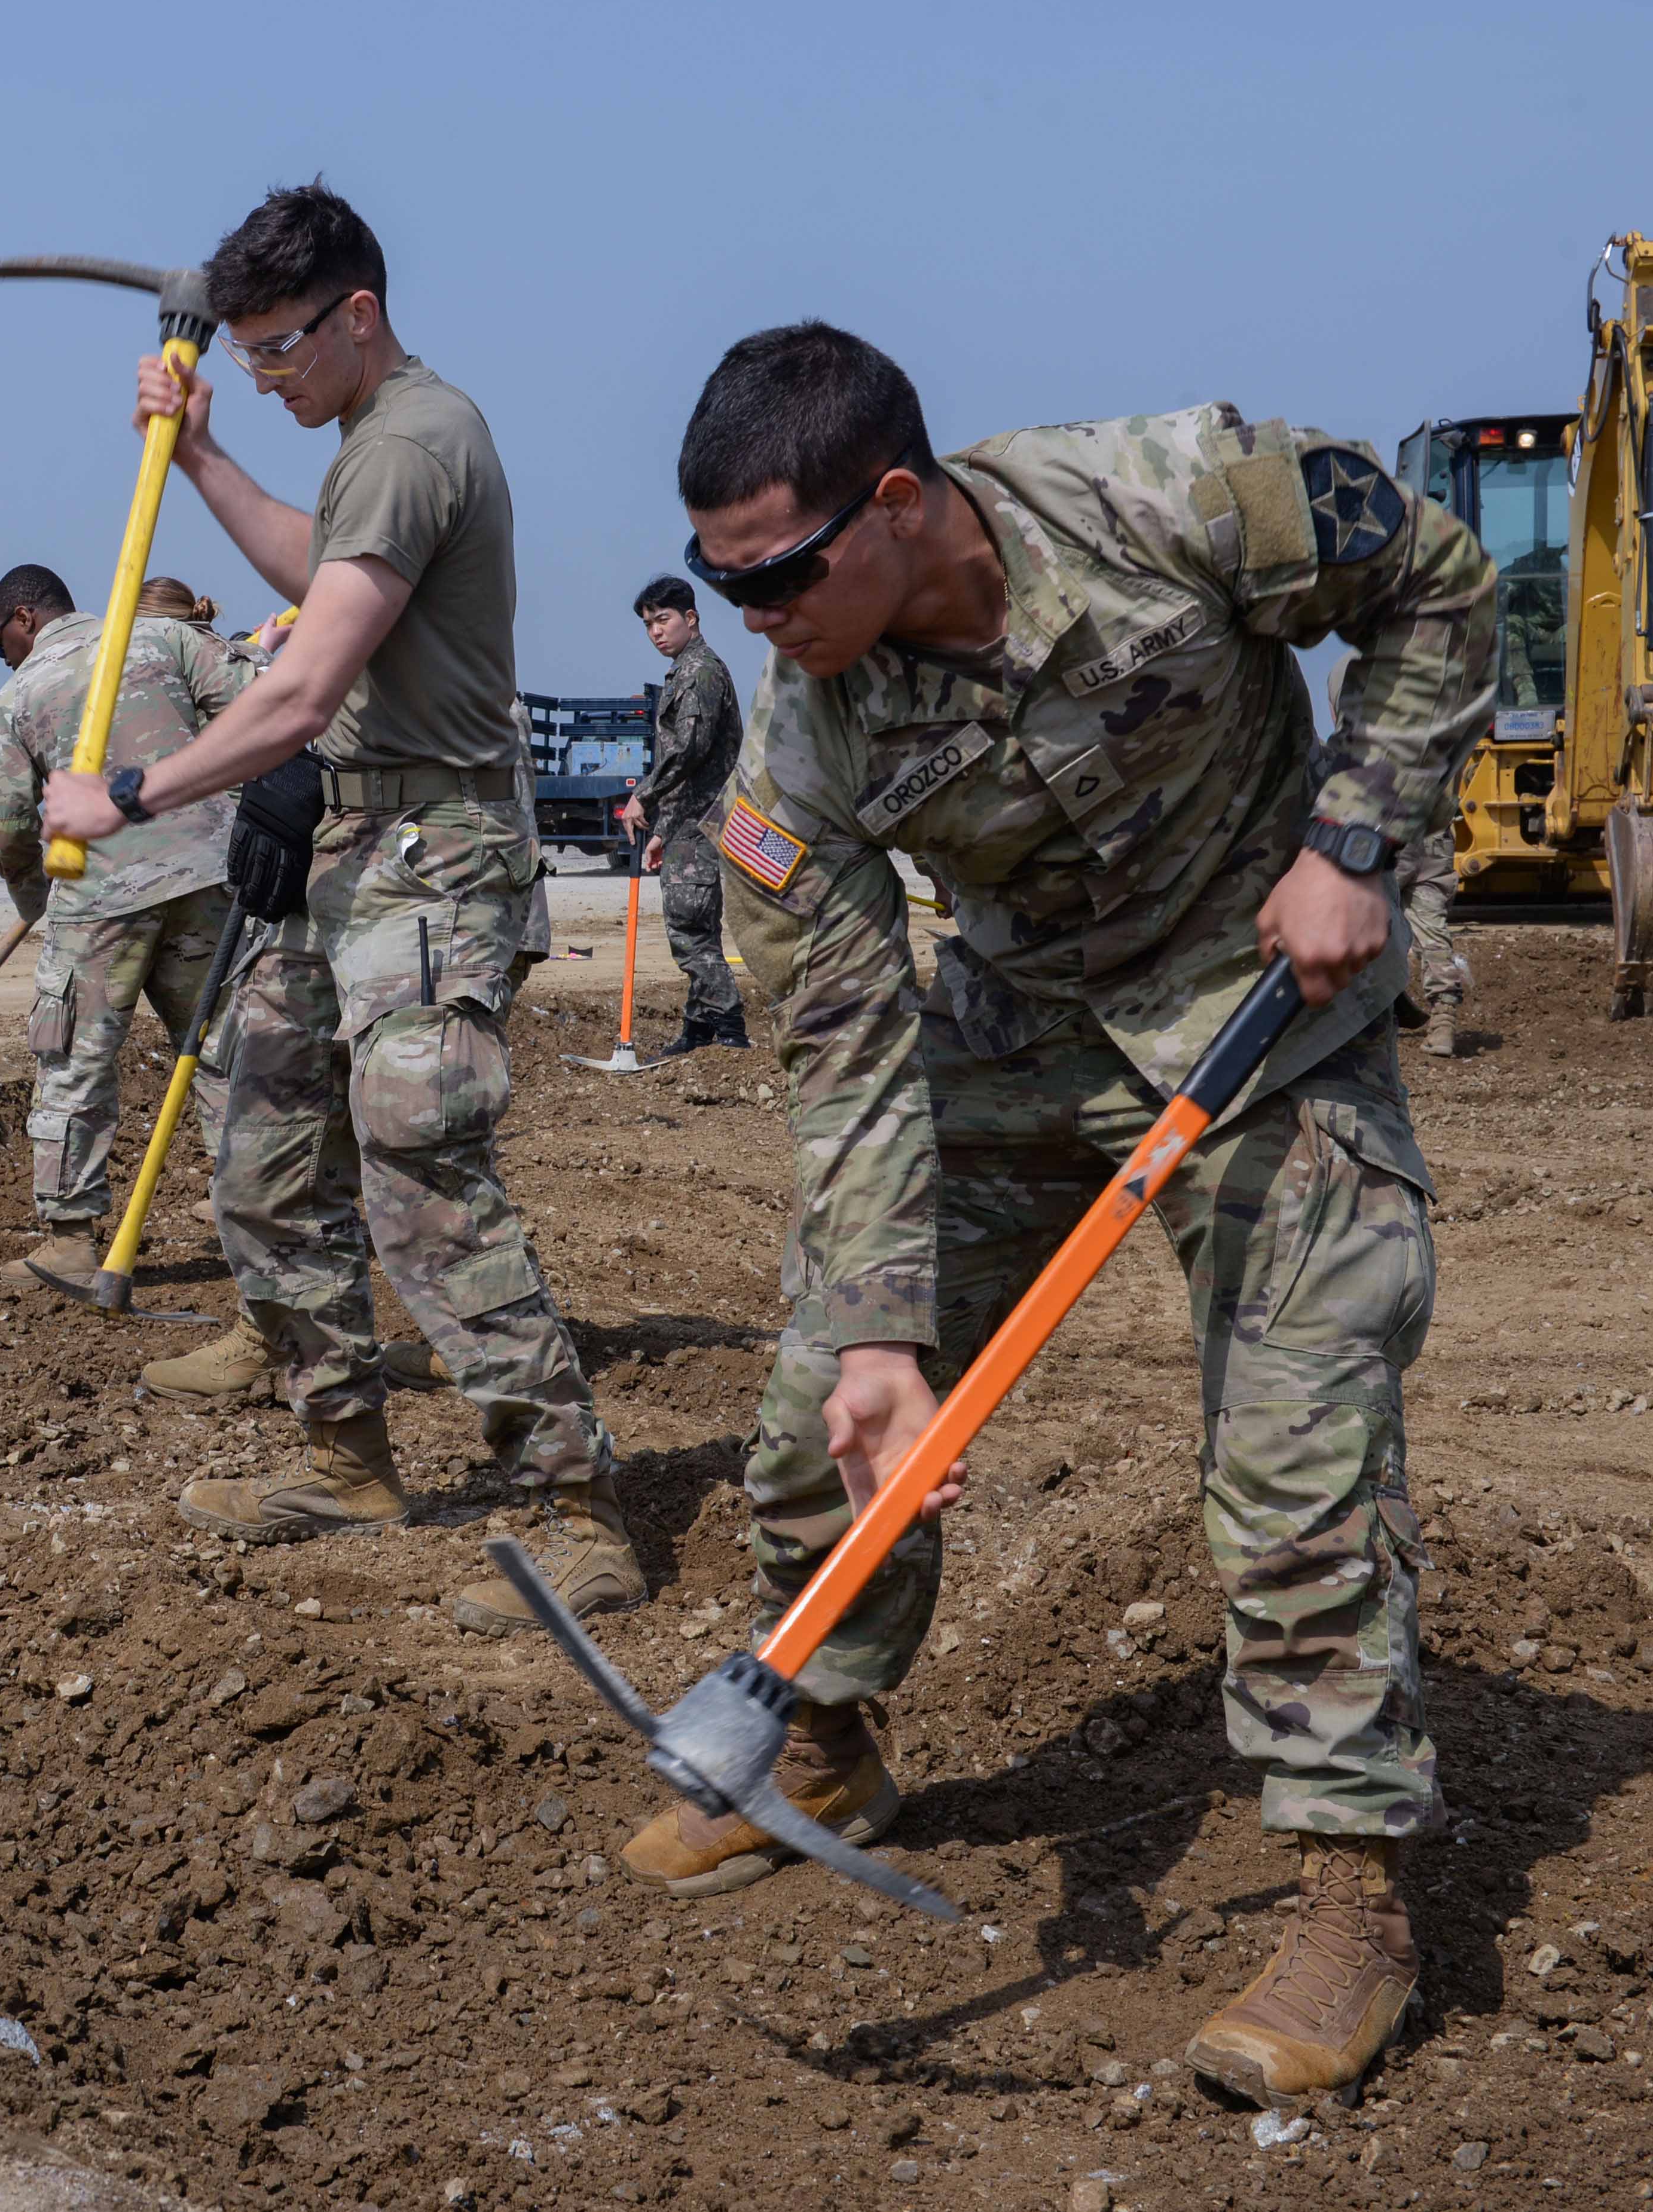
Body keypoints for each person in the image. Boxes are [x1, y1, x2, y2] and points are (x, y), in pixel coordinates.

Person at [622, 324, 1493, 2115]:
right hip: (1018, 1030)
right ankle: (823, 1736)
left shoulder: (1173, 496)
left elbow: (1436, 584)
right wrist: (881, 1337)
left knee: (1293, 1443)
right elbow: (844, 1051)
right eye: (721, 585)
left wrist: (1355, 837)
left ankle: (1348, 1901)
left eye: (776, 576)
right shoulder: (802, 750)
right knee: (812, 1410)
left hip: (1263, 1015)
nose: (752, 617)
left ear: (894, 504)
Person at [36, 180, 637, 1632]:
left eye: (278, 348)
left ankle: (580, 1510)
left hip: (434, 853)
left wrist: (126, 793)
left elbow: (304, 685)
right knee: (262, 1155)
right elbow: (319, 577)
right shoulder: (369, 445)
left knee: (419, 1170)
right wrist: (200, 453)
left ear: (357, 314)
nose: (263, 374)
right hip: (351, 847)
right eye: (242, 352)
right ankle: (345, 1458)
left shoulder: (417, 439)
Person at [0, 562, 253, 1295]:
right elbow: (261, 710)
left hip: (99, 897)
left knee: (74, 1058)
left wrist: (35, 897)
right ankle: (258, 1214)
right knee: (225, 1048)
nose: (2, 655)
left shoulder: (17, 696)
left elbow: (3, 828)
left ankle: (70, 1240)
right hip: (207, 877)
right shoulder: (162, 638)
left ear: (25, 619)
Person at [618, 575, 747, 1054]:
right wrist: (663, 831)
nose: (655, 631)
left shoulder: (700, 673)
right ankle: (700, 1027)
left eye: (663, 619)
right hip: (689, 823)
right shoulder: (685, 671)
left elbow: (690, 748)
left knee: (689, 929)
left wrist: (645, 795)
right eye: (648, 624)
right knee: (697, 925)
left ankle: (729, 1025)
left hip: (703, 823)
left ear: (690, 618)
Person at [1398, 822, 1463, 1055]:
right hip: (1434, 840)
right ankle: (1444, 1024)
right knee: (1432, 932)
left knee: (1362, 922)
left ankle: (1362, 1018)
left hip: (1388, 835)